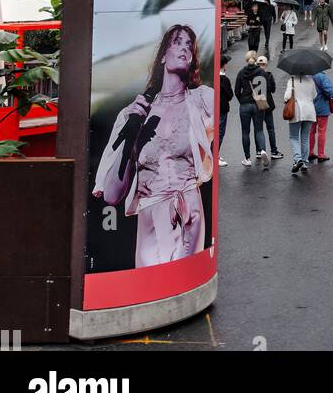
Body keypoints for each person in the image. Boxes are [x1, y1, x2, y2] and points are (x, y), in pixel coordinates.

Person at [92, 24, 214, 265]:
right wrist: (132, 137)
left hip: (188, 210)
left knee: (183, 284)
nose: (184, 48)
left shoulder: (202, 99)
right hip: (150, 215)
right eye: (177, 42)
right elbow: (112, 195)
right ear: (162, 57)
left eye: (189, 45)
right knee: (154, 284)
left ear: (192, 59)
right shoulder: (133, 113)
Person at [235, 51, 268, 166]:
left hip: (244, 105)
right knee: (259, 130)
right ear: (255, 59)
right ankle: (262, 150)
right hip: (257, 104)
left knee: (245, 132)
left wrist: (242, 100)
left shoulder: (241, 72)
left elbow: (236, 91)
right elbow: (263, 90)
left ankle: (247, 158)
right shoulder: (260, 72)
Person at [283, 73, 317, 173]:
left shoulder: (292, 80)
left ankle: (297, 159)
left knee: (293, 136)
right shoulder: (311, 80)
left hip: (296, 111)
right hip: (309, 111)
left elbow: (287, 96)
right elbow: (314, 95)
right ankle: (305, 162)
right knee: (305, 137)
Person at [308, 69, 333, 163]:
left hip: (310, 107)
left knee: (311, 131)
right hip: (322, 107)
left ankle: (310, 152)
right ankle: (321, 154)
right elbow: (329, 91)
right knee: (321, 131)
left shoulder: (307, 77)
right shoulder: (322, 77)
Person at [218, 53, 233, 167]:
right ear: (224, 65)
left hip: (213, 108)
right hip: (222, 108)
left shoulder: (215, 77)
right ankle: (216, 154)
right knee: (220, 132)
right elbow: (230, 95)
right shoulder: (224, 79)